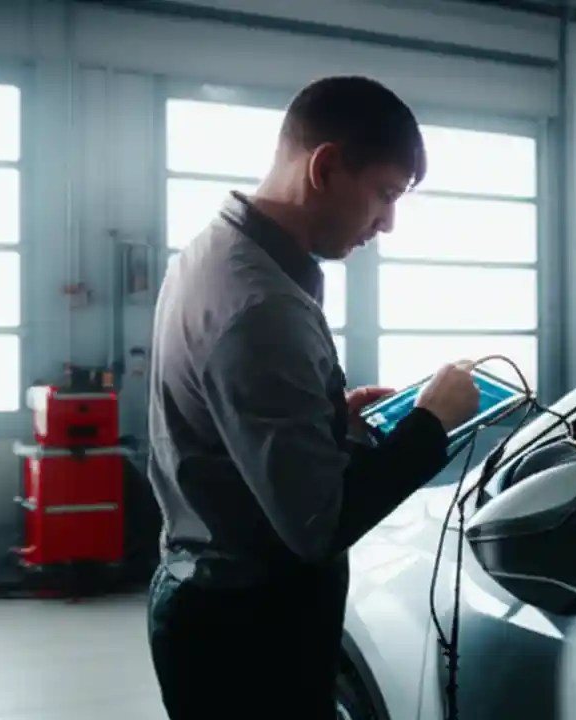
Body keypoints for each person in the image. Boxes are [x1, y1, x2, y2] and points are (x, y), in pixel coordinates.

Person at [145, 76, 480, 719]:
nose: (387, 222)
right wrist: (430, 425)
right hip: (248, 636)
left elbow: (227, 418)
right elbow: (317, 526)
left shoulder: (217, 251)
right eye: (384, 194)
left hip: (206, 597)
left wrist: (329, 417)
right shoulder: (263, 306)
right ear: (324, 167)